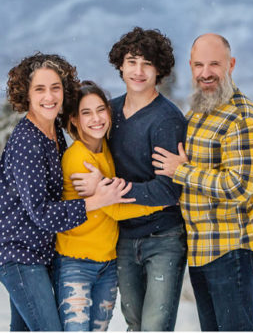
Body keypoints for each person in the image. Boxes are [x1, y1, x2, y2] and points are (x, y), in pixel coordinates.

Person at [0, 53, 134, 331]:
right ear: (26, 95)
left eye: (55, 88)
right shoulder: (27, 141)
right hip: (16, 252)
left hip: (39, 253)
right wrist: (95, 201)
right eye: (39, 89)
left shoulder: (53, 133)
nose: (49, 96)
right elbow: (42, 213)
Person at [152, 33, 253, 332]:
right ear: (191, 67)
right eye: (199, 65)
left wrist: (182, 171)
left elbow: (239, 187)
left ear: (231, 65)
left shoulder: (242, 117)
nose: (206, 73)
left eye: (214, 64)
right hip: (201, 248)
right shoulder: (198, 111)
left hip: (230, 247)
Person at [71, 27, 187, 331]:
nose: (138, 71)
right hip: (122, 236)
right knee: (134, 324)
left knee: (154, 326)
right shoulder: (110, 114)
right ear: (120, 65)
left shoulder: (167, 120)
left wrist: (108, 190)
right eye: (132, 61)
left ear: (159, 69)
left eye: (147, 63)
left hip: (163, 238)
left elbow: (168, 190)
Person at [55, 81, 166, 331]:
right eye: (86, 113)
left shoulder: (104, 148)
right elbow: (114, 207)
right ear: (74, 119)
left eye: (100, 109)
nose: (96, 119)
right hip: (76, 263)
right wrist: (160, 202)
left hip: (107, 263)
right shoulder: (78, 159)